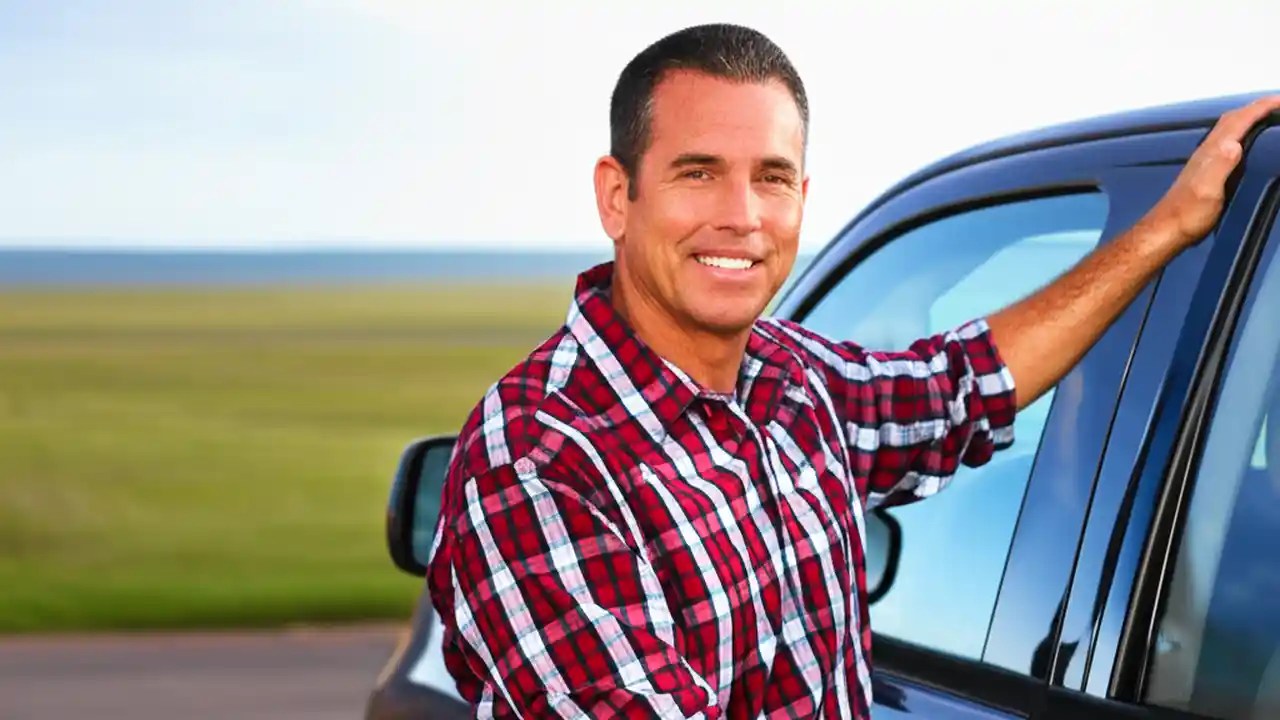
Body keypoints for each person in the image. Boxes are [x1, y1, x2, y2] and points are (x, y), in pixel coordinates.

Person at [424, 22, 1280, 719]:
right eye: (698, 174)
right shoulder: (538, 461)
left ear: (803, 193)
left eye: (772, 178)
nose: (742, 217)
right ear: (618, 195)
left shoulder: (795, 381)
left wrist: (1164, 233)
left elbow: (966, 384)